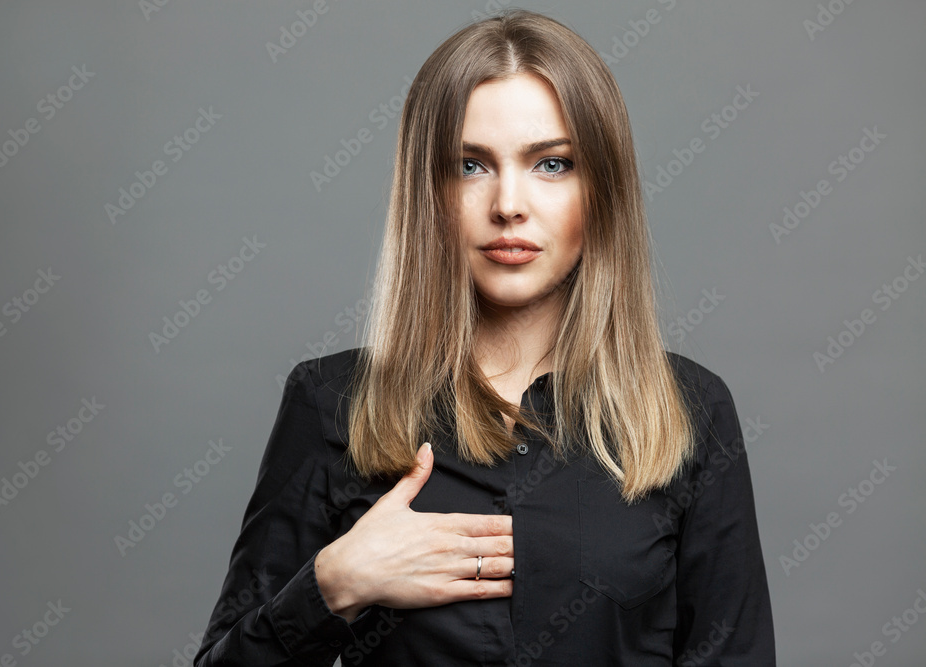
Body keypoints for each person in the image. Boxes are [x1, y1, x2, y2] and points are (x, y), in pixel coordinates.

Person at [194, 9, 775, 666]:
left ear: (601, 191)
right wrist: (334, 585)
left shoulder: (688, 411)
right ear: (428, 193)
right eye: (470, 166)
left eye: (551, 164)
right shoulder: (331, 403)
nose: (508, 203)